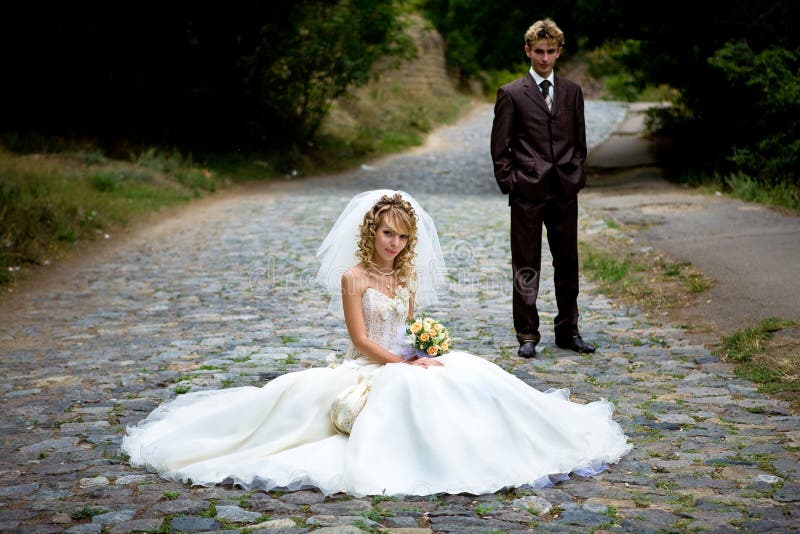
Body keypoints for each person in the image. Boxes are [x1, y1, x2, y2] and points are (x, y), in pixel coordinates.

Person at [121, 190, 631, 497]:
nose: (395, 244)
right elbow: (362, 340)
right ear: (372, 233)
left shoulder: (404, 281)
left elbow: (408, 329)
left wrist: (424, 349)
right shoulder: (354, 278)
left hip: (405, 358)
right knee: (406, 392)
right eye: (388, 234)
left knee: (473, 380)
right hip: (368, 366)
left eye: (403, 238)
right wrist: (402, 365)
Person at [490, 18, 595, 358]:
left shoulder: (571, 92)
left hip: (564, 191)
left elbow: (579, 141)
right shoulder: (511, 94)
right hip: (528, 193)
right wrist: (513, 183)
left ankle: (568, 331)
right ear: (528, 51)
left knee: (567, 263)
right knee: (526, 264)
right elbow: (499, 148)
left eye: (551, 52)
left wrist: (576, 174)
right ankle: (527, 334)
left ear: (559, 52)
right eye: (539, 52)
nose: (545, 58)